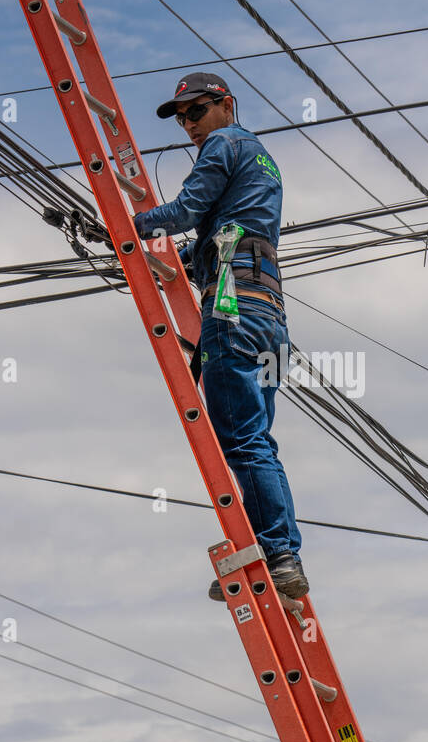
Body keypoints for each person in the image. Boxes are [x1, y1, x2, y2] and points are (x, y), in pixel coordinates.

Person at [132, 72, 309, 602]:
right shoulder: (259, 159)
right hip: (268, 311)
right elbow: (217, 235)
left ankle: (276, 552)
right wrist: (172, 258)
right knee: (258, 440)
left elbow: (185, 211)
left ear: (226, 105)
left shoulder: (223, 143)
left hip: (232, 304)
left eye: (197, 111)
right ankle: (278, 555)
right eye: (182, 118)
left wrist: (127, 225)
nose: (189, 124)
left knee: (242, 439)